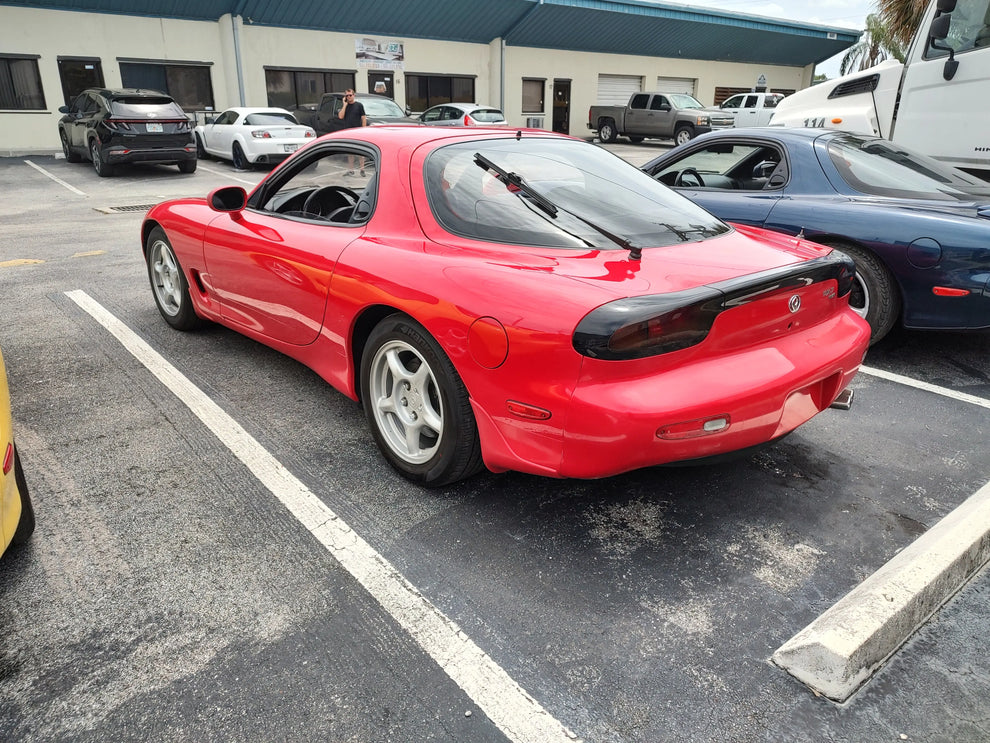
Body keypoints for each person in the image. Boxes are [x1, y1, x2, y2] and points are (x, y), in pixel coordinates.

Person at [338, 89, 367, 175]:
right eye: (347, 95)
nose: (349, 97)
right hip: (348, 132)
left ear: (354, 95)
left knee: (360, 151)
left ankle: (362, 170)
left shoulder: (359, 105)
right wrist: (344, 105)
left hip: (358, 131)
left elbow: (363, 118)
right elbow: (340, 116)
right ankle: (351, 170)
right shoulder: (345, 106)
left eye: (350, 95)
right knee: (350, 152)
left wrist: (364, 130)